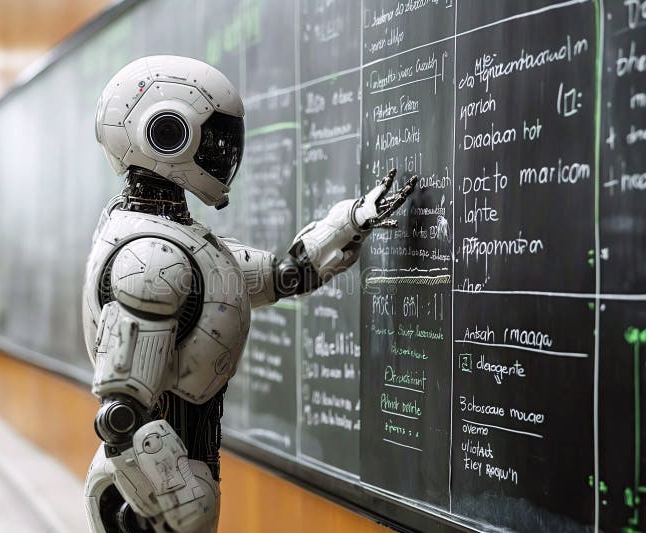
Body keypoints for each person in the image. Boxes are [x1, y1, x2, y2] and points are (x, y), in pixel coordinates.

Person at [82, 55, 417, 533]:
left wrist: (351, 221)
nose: (222, 151)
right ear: (166, 134)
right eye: (211, 136)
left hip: (166, 475)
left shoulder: (176, 243)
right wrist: (175, 496)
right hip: (150, 488)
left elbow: (284, 275)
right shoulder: (152, 257)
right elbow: (120, 415)